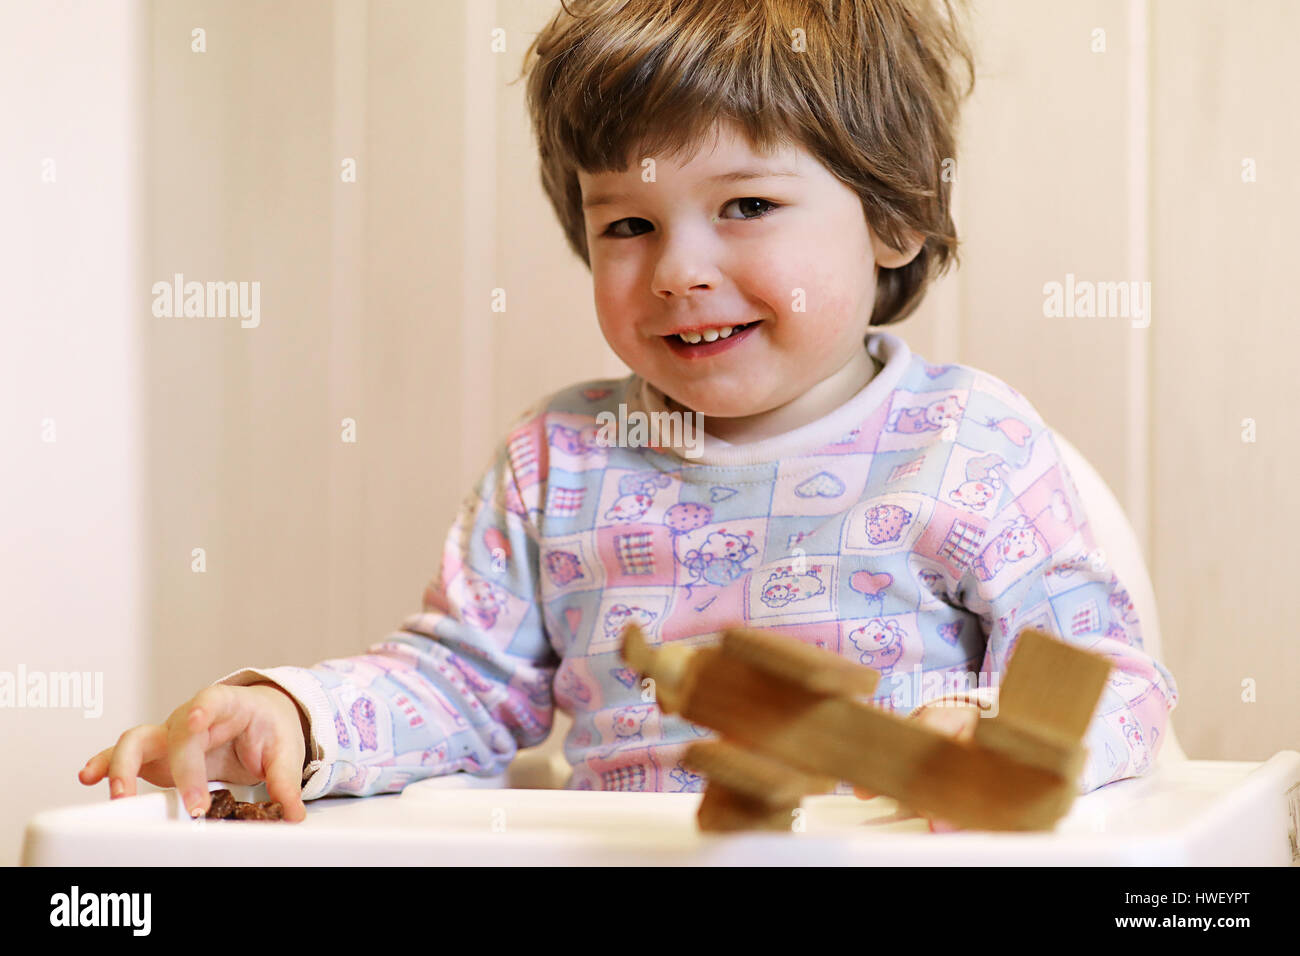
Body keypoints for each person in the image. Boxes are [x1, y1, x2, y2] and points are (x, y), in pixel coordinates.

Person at [81, 0, 1178, 831]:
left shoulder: (969, 444)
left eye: (745, 205)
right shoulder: (560, 460)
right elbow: (461, 685)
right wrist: (295, 714)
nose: (678, 270)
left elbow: (1109, 677)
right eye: (627, 224)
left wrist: (1002, 742)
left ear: (891, 217)